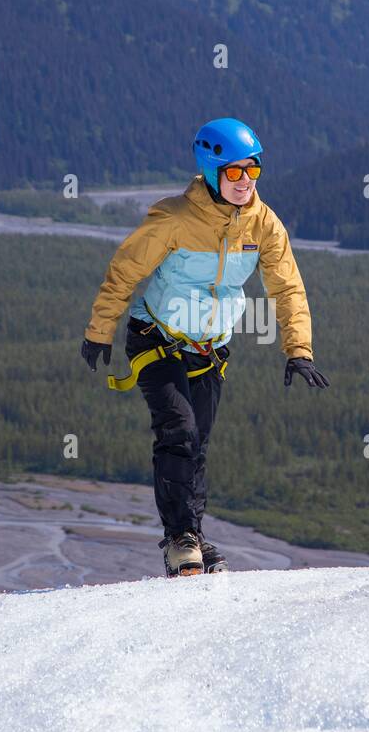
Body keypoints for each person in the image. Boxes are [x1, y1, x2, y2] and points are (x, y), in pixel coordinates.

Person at [80, 117, 329, 577]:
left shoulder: (264, 225)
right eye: (234, 172)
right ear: (212, 172)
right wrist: (100, 330)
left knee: (198, 445)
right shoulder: (173, 219)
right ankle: (179, 541)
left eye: (252, 171)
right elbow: (124, 271)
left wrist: (299, 349)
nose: (244, 182)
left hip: (210, 349)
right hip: (156, 339)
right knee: (179, 432)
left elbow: (287, 287)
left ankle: (191, 532)